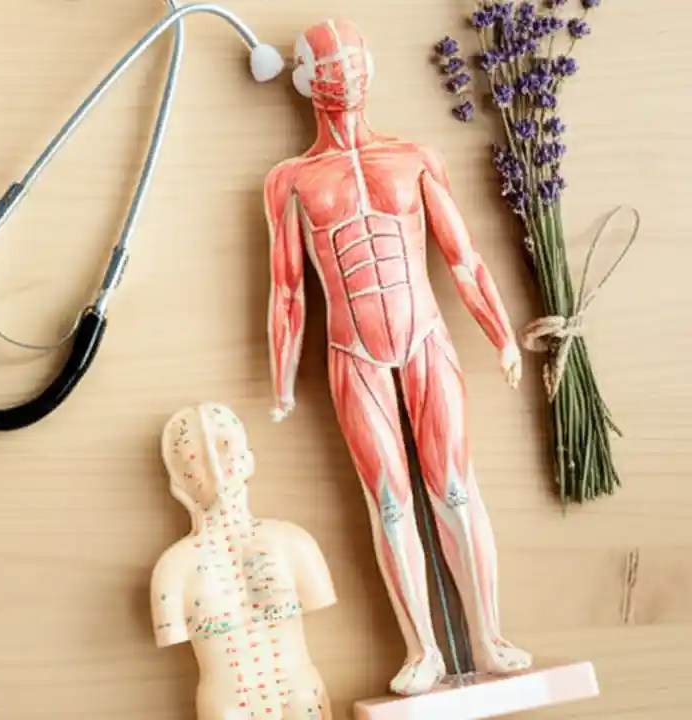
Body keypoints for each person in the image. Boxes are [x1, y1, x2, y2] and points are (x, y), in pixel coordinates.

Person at [264, 19, 531, 695]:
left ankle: (490, 636)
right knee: (388, 502)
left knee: (454, 489)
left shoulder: (414, 157)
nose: (343, 79)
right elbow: (288, 290)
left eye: (352, 64)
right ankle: (424, 650)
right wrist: (281, 382)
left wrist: (502, 335)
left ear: (369, 69)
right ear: (303, 78)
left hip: (426, 338)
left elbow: (463, 258)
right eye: (329, 67)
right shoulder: (290, 181)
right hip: (352, 351)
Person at [151, 403, 336, 720]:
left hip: (304, 701)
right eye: (193, 457)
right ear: (177, 483)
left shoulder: (295, 543)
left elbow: (319, 597)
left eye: (224, 446)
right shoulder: (172, 571)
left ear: (249, 459)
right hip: (228, 711)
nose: (213, 460)